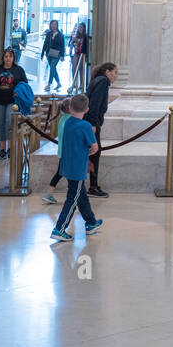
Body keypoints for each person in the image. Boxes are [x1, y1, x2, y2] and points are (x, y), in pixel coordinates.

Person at [50, 94, 102, 242]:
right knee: (73, 198)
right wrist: (88, 153)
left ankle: (91, 222)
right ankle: (59, 228)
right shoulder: (85, 126)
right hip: (78, 167)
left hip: (67, 165)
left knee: (80, 195)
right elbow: (94, 147)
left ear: (70, 108)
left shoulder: (67, 122)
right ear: (87, 109)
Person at [85, 62, 117, 198]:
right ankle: (92, 186)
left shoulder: (98, 80)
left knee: (94, 153)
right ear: (107, 72)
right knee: (95, 153)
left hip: (91, 122)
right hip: (92, 123)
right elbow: (95, 104)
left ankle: (93, 185)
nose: (116, 76)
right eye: (115, 72)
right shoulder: (103, 81)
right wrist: (93, 124)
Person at [43, 96, 72, 204]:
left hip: (62, 152)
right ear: (71, 108)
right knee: (70, 174)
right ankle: (72, 195)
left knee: (60, 173)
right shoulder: (70, 121)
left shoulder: (62, 119)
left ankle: (49, 194)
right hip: (68, 153)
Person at [41, 19, 65, 91]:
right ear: (50, 25)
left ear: (57, 25)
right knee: (53, 69)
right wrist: (42, 54)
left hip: (57, 54)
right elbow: (45, 44)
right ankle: (58, 83)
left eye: (55, 24)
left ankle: (49, 84)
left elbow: (62, 46)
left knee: (52, 67)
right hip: (48, 53)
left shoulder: (60, 35)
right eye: (52, 24)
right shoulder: (49, 34)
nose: (53, 26)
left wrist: (62, 56)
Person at [70, 22, 89, 89]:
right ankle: (74, 83)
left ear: (84, 28)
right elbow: (71, 43)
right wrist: (74, 43)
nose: (79, 28)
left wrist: (86, 55)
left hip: (82, 54)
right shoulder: (76, 36)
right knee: (74, 67)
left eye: (81, 27)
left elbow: (87, 46)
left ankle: (81, 84)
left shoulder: (86, 36)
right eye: (79, 27)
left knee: (81, 69)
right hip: (76, 53)